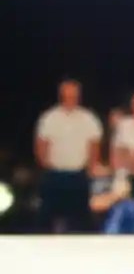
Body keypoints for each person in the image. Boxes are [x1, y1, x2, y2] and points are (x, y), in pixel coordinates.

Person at [34, 79, 103, 233]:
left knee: (81, 219)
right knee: (47, 217)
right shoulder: (49, 117)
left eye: (74, 94)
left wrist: (90, 167)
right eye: (67, 94)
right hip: (55, 174)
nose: (70, 97)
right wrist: (46, 165)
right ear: (61, 95)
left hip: (79, 175)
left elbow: (94, 145)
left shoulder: (88, 118)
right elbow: (41, 145)